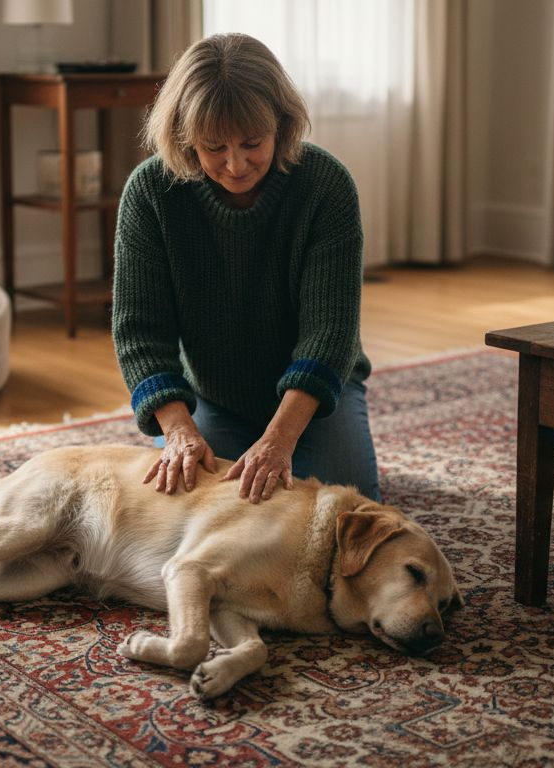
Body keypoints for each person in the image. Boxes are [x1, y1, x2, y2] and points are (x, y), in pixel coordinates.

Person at [111, 32, 380, 505]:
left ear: (283, 124)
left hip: (314, 396)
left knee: (341, 511)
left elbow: (330, 334)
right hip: (213, 394)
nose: (235, 164)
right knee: (206, 511)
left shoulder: (326, 186)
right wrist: (178, 431)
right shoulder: (150, 192)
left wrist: (280, 440)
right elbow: (140, 334)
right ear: (184, 136)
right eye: (213, 146)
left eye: (252, 143)